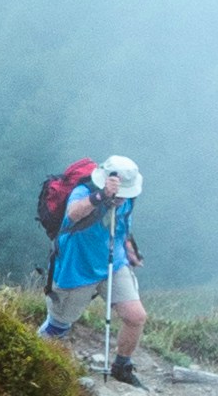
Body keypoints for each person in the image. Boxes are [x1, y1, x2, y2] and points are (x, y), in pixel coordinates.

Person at [37, 149, 148, 382]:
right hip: (77, 268)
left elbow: (121, 228)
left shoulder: (128, 201)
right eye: (120, 193)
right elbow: (74, 213)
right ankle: (32, 358)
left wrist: (129, 251)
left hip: (113, 264)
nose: (123, 197)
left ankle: (122, 366)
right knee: (58, 326)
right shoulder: (84, 192)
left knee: (135, 317)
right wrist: (102, 197)